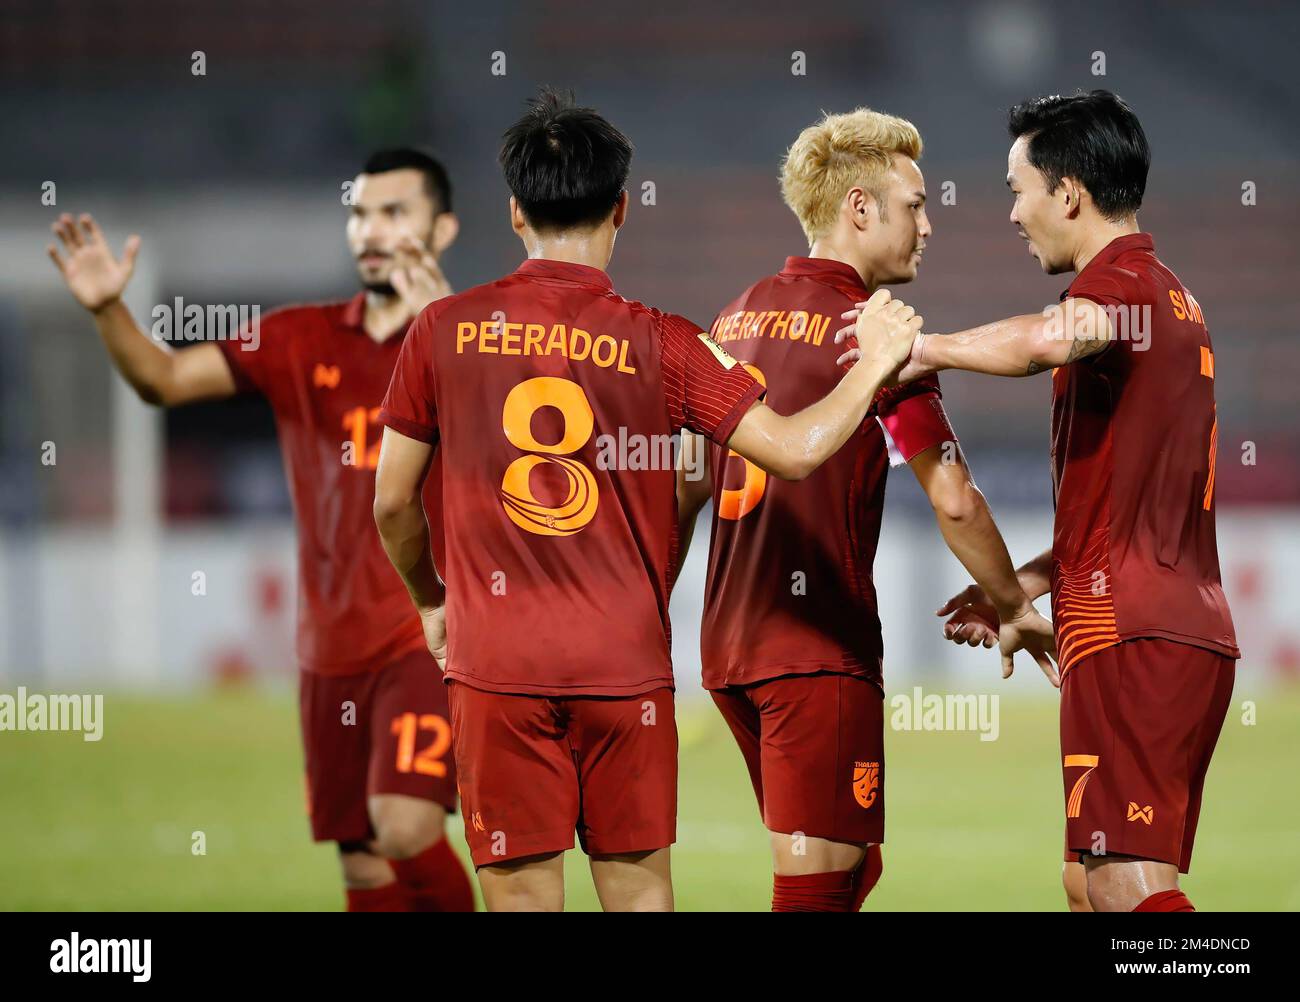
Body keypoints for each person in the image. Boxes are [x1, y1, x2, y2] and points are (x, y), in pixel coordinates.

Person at [373, 89, 933, 912]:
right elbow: (794, 450)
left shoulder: (443, 328)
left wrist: (431, 601)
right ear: (623, 210)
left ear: (516, 212)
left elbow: (392, 504)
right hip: (622, 671)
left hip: (496, 667)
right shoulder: (664, 343)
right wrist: (873, 362)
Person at [839, 90, 1238, 912]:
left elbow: (1054, 337)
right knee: (1088, 881)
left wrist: (921, 352)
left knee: (1125, 882)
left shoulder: (1121, 285)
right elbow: (1129, 500)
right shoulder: (1170, 298)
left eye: (1018, 189)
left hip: (1131, 624)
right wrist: (1020, 583)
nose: (1013, 214)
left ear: (1068, 193)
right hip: (1164, 614)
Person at [46, 148, 475, 912]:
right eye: (360, 213)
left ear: (441, 229)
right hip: (329, 647)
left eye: (394, 213)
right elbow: (164, 380)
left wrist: (445, 328)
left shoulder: (470, 341)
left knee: (405, 826)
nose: (371, 230)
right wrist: (109, 310)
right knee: (365, 867)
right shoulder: (296, 338)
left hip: (427, 628)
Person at [674, 107, 1056, 912]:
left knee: (847, 870)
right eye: (914, 205)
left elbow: (686, 481)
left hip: (728, 647)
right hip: (814, 652)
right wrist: (1015, 604)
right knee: (817, 885)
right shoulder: (872, 334)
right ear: (859, 209)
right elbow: (953, 500)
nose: (927, 225)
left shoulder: (732, 316)